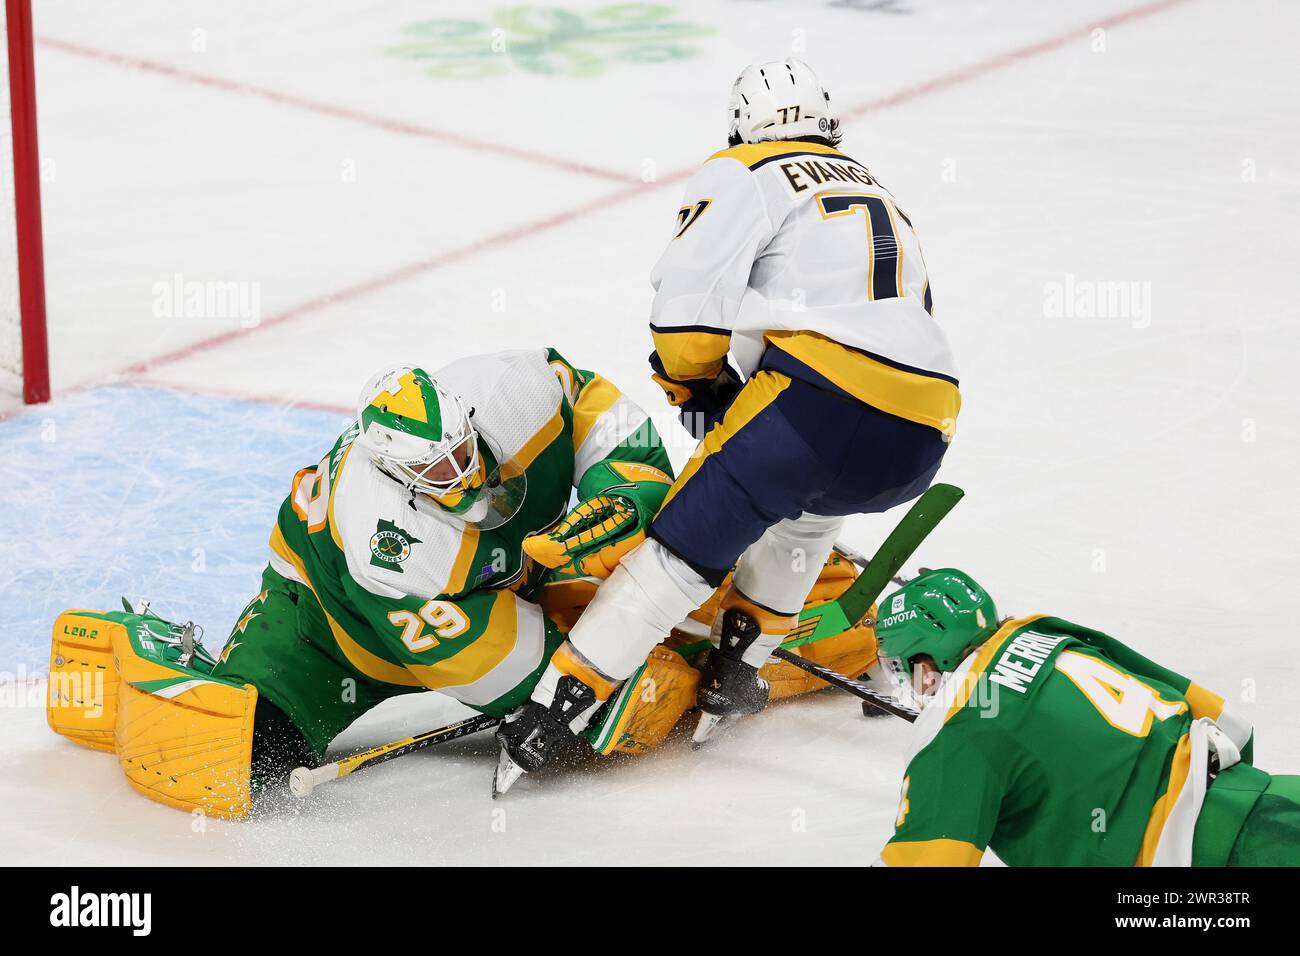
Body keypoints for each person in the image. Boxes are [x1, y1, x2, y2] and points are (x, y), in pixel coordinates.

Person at [46, 348, 879, 817]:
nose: (463, 475)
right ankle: (149, 646)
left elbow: (595, 406)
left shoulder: (507, 392)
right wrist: (607, 682)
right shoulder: (392, 543)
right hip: (336, 619)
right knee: (247, 759)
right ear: (404, 481)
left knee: (656, 599)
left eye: (462, 453)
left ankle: (790, 603)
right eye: (439, 473)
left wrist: (626, 489)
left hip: (495, 582)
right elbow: (508, 675)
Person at [497, 58, 960, 788]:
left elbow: (686, 307)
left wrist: (693, 381)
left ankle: (555, 710)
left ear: (744, 123)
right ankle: (736, 673)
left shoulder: (746, 169)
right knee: (803, 520)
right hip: (923, 431)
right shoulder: (873, 183)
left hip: (818, 410)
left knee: (680, 552)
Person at [872, 568, 1299, 866]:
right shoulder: (1048, 631)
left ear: (926, 661)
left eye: (900, 667)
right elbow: (1232, 725)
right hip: (1270, 798)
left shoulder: (955, 725)